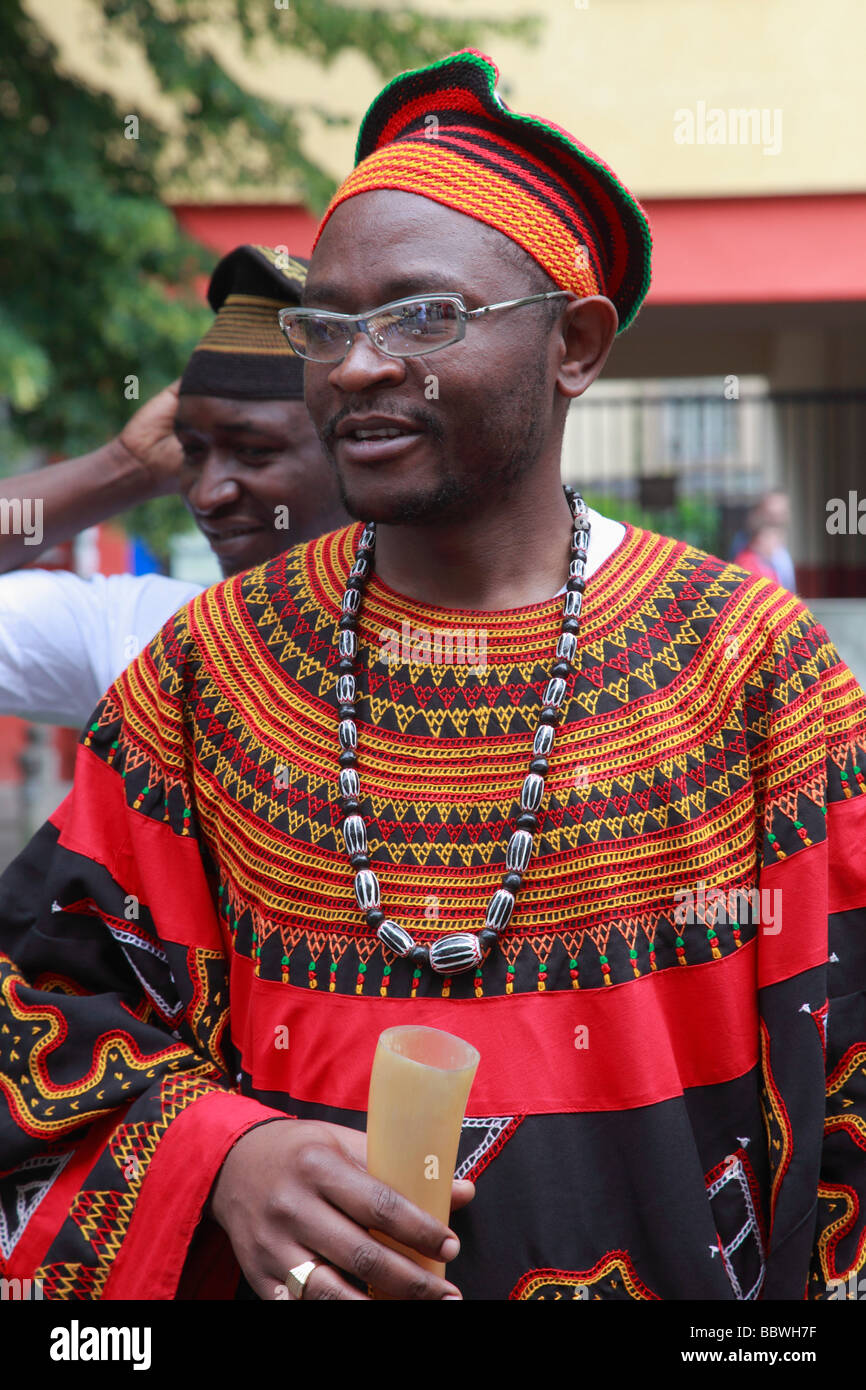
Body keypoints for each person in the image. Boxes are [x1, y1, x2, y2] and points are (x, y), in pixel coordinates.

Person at [0, 49, 864, 1304]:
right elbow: (39, 1005)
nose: (354, 365)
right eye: (331, 324)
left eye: (423, 317)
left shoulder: (748, 665)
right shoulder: (208, 670)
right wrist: (220, 1154)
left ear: (572, 346)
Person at [0, 245, 348, 727]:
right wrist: (126, 467)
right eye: (191, 451)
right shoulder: (149, 638)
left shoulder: (461, 650)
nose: (206, 495)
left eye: (253, 451)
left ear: (354, 448)